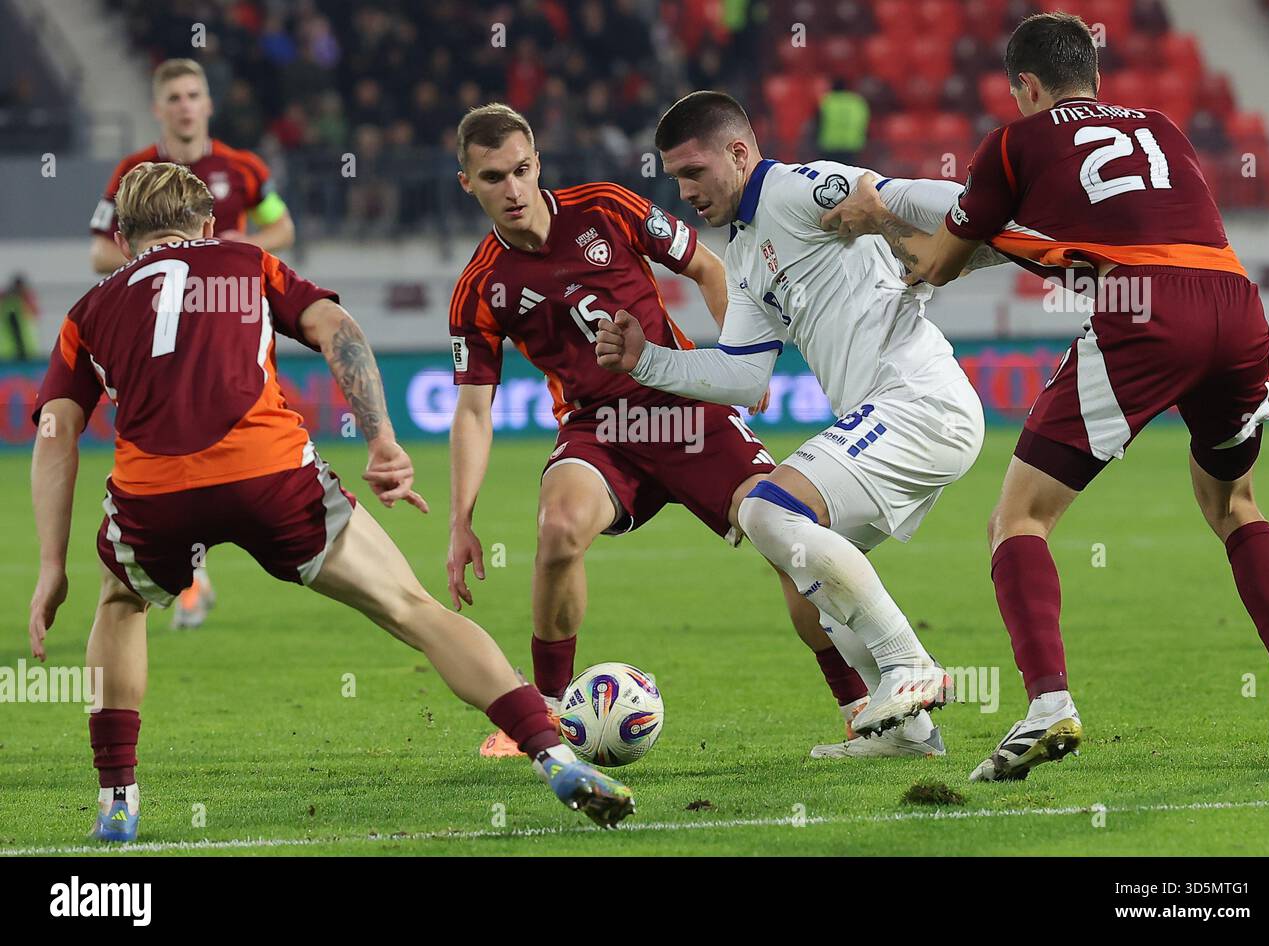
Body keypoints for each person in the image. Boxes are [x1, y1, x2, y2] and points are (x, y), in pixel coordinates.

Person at [29, 162, 634, 841]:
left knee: (119, 603)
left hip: (155, 496)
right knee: (414, 610)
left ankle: (117, 802)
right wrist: (380, 440)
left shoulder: (88, 310)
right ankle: (552, 756)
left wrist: (52, 563)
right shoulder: (246, 260)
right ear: (206, 224)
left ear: (122, 235)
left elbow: (56, 434)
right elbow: (336, 328)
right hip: (270, 474)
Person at [824, 12, 1269, 778]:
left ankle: (1049, 706)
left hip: (1148, 312)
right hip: (1237, 305)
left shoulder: (1015, 141)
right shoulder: (1161, 126)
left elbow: (941, 262)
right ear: (1097, 77)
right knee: (1237, 504)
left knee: (1019, 516)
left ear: (1027, 86)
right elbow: (1118, 232)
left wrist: (879, 215)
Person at [447, 103, 878, 759]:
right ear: (467, 184)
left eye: (521, 170)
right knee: (558, 530)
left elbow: (708, 268)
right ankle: (546, 714)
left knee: (786, 533)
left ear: (538, 165)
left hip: (685, 405)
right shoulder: (482, 286)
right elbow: (474, 410)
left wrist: (743, 359)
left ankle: (859, 706)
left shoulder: (605, 208)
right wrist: (461, 520)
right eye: (492, 178)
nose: (511, 189)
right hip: (600, 428)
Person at [596, 90, 1002, 751]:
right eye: (675, 177)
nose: (686, 190)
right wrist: (647, 361)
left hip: (918, 401)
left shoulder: (793, 188)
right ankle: (910, 732)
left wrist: (984, 216)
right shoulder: (746, 254)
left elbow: (903, 195)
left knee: (764, 510)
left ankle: (909, 666)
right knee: (803, 574)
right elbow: (744, 377)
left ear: (738, 152)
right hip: (894, 414)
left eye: (694, 171)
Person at [89, 58, 298, 630]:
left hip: (228, 335)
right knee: (169, 440)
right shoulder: (133, 172)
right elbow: (101, 251)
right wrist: (170, 262)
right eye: (174, 97)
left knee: (239, 434)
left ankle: (229, 555)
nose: (185, 106)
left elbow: (282, 226)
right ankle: (193, 575)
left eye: (193, 95)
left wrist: (237, 245)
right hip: (162, 339)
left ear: (208, 103)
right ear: (159, 109)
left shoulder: (244, 168)